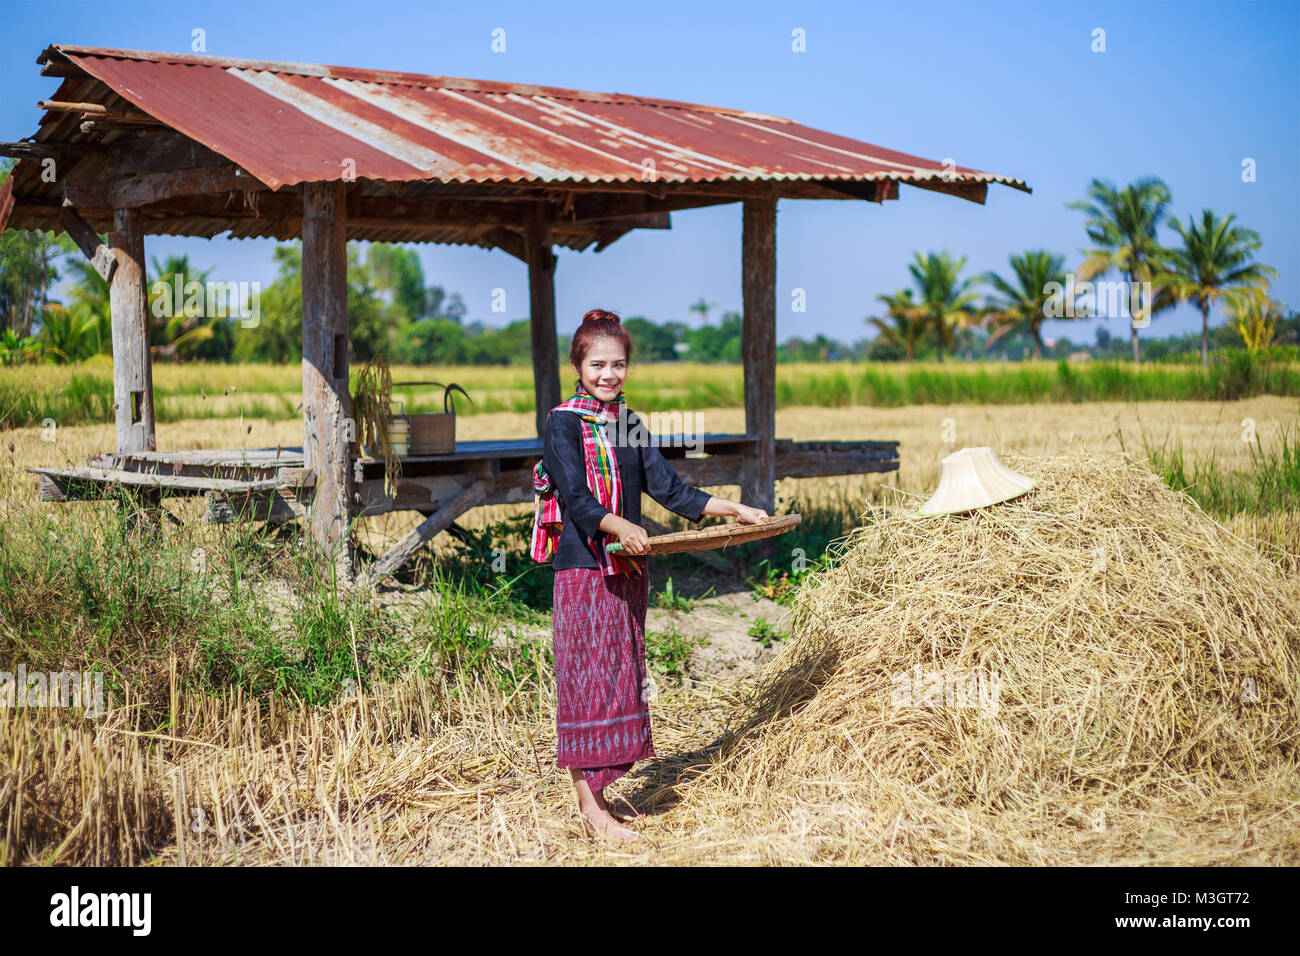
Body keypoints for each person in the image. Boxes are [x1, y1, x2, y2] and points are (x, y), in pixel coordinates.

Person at [530, 308, 769, 841]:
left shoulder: (630, 424)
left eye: (618, 364)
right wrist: (619, 524)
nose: (608, 374)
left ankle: (604, 793)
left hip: (628, 567)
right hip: (585, 568)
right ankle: (592, 811)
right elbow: (575, 495)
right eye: (597, 364)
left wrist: (736, 509)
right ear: (577, 365)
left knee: (618, 676)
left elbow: (672, 489)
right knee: (586, 682)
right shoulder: (562, 422)